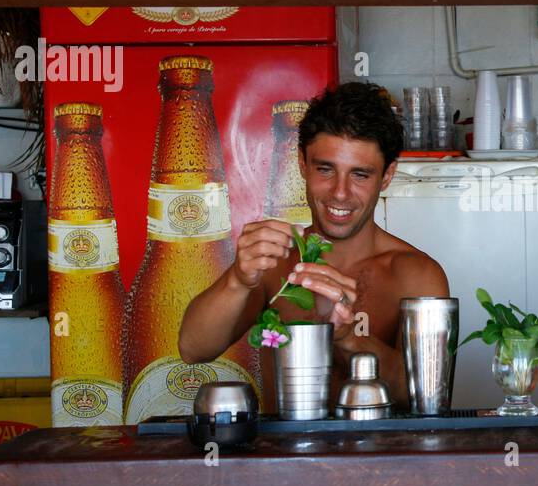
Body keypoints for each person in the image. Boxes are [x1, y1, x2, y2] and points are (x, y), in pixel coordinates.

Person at [179, 82, 449, 405]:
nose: (340, 192)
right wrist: (238, 279)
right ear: (303, 164)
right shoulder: (275, 262)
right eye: (326, 169)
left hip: (381, 454)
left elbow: (430, 396)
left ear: (387, 176)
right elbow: (193, 349)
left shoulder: (416, 274)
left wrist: (349, 338)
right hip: (283, 454)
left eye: (360, 175)